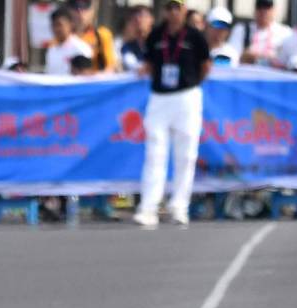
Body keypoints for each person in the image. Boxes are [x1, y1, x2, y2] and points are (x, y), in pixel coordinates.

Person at [133, 0, 211, 227]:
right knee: (155, 153)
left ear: (184, 10)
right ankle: (148, 207)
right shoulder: (156, 35)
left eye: (177, 7)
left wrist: (192, 84)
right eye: (169, 8)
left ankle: (179, 206)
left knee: (186, 154)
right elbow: (149, 64)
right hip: (160, 97)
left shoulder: (195, 36)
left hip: (187, 95)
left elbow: (206, 66)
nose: (174, 12)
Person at [229, 0, 291, 67]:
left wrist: (269, 58)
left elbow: (288, 60)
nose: (263, 11)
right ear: (254, 10)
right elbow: (232, 56)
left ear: (274, 10)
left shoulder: (285, 32)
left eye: (267, 7)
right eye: (259, 7)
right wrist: (245, 56)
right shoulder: (241, 29)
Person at [71, 0, 118, 72]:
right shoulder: (62, 37)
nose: (80, 11)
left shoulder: (102, 35)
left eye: (85, 7)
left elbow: (110, 67)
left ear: (93, 11)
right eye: (75, 7)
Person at [45, 6, 93, 76]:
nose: (56, 29)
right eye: (53, 25)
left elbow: (85, 77)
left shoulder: (81, 49)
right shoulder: (51, 50)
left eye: (59, 25)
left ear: (71, 24)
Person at [120, 5, 154, 72]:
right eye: (134, 17)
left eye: (142, 16)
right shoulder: (126, 47)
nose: (138, 20)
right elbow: (133, 66)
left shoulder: (159, 44)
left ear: (151, 19)